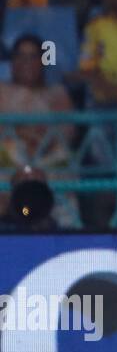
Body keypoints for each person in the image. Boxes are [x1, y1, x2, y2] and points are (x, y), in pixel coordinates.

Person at [0, 32, 78, 227]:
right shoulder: (2, 91)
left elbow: (67, 132)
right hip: (9, 161)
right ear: (12, 62)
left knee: (62, 160)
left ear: (42, 61)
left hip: (49, 160)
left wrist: (37, 143)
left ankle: (68, 227)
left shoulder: (57, 93)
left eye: (33, 56)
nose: (26, 62)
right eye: (20, 56)